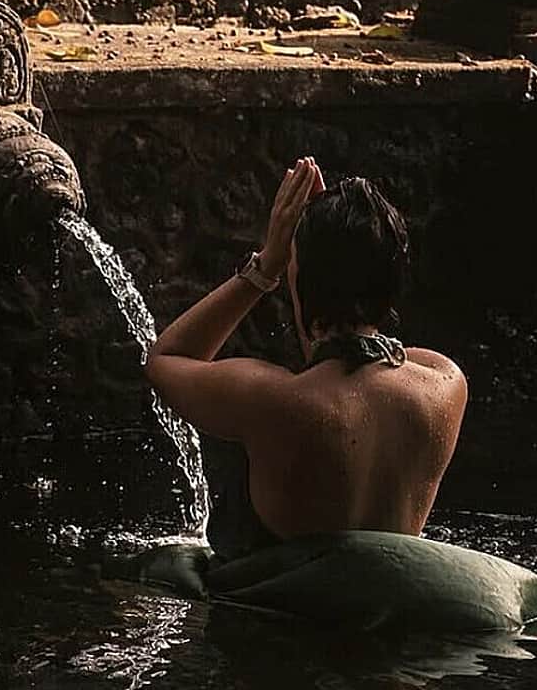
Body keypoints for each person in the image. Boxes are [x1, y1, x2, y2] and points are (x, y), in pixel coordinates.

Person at [145, 158, 468, 553]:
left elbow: (166, 358)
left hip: (275, 611)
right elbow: (380, 355)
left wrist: (265, 266)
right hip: (387, 607)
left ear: (299, 281)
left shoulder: (272, 401)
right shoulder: (444, 384)